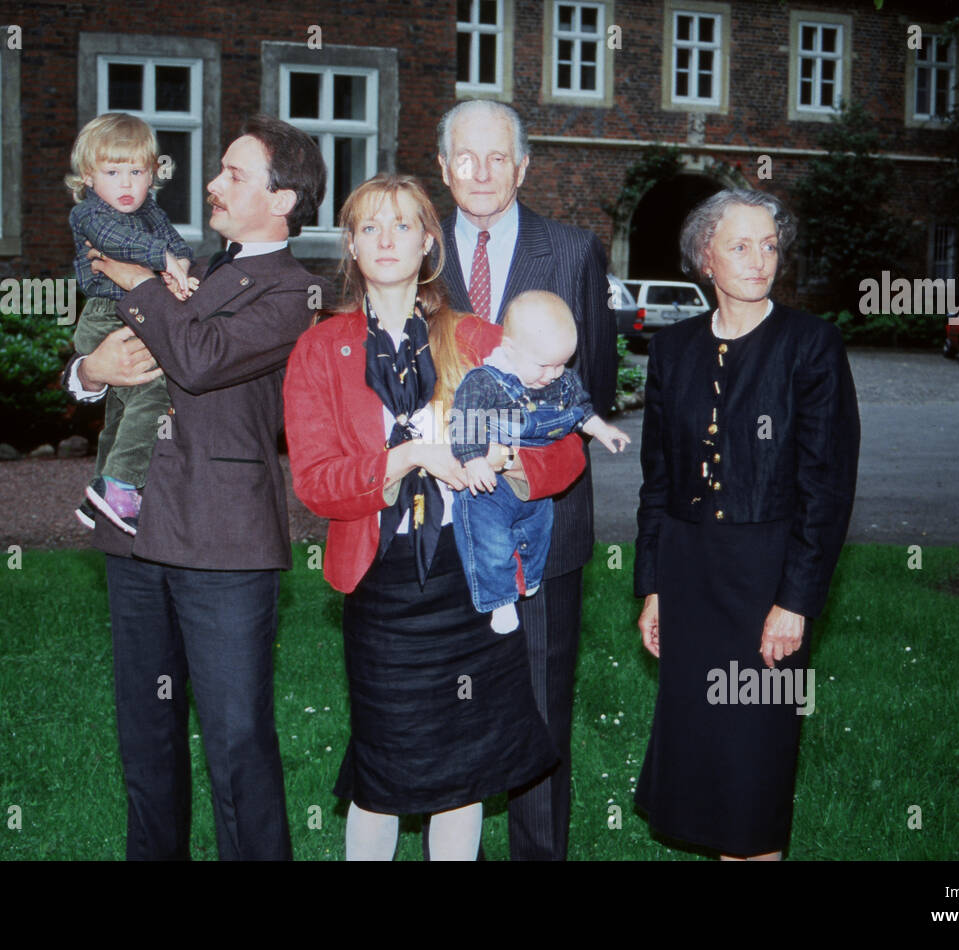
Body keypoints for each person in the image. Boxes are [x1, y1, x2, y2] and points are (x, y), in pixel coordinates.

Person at [282, 173, 586, 860]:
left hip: (473, 583)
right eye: (368, 227)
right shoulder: (318, 351)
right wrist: (409, 454)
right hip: (384, 585)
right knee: (382, 774)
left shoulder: (477, 338)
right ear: (352, 247)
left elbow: (565, 452)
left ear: (429, 241)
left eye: (402, 225)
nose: (385, 240)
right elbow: (316, 486)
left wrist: (508, 462)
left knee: (465, 773)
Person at [61, 114, 331, 860]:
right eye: (218, 171)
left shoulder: (298, 293)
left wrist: (139, 281)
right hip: (136, 531)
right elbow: (108, 364)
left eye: (234, 175)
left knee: (237, 741)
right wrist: (90, 373)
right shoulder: (188, 267)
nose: (211, 184)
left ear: (283, 200)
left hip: (226, 542)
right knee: (146, 737)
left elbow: (203, 358)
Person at [633, 188, 860, 860]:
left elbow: (827, 487)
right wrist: (652, 585)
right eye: (741, 245)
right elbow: (658, 479)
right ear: (705, 257)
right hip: (689, 574)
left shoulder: (811, 345)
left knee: (753, 777)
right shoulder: (672, 348)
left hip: (767, 578)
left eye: (770, 244)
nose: (761, 259)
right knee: (703, 763)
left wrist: (795, 602)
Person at [436, 98, 618, 861]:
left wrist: (530, 465)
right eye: (465, 159)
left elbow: (594, 386)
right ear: (443, 168)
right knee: (448, 711)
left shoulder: (574, 251)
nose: (481, 173)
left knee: (542, 711)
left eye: (498, 157)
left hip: (545, 526)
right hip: (437, 521)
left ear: (525, 165)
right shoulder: (410, 249)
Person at [451, 290, 629, 635]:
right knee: (490, 541)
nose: (553, 374)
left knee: (538, 531)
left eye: (562, 363)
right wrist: (473, 458)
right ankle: (499, 599)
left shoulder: (561, 380)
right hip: (491, 486)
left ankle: (529, 579)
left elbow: (580, 411)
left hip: (534, 484)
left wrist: (602, 430)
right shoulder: (485, 381)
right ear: (511, 350)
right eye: (544, 365)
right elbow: (465, 418)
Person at [64, 113, 194, 534]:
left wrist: (181, 267)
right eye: (112, 171)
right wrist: (162, 262)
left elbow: (177, 244)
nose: (125, 184)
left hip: (137, 310)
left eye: (136, 171)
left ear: (152, 175)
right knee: (157, 387)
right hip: (107, 315)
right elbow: (118, 242)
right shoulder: (88, 215)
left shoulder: (151, 211)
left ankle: (104, 489)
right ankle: (122, 483)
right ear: (88, 176)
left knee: (124, 409)